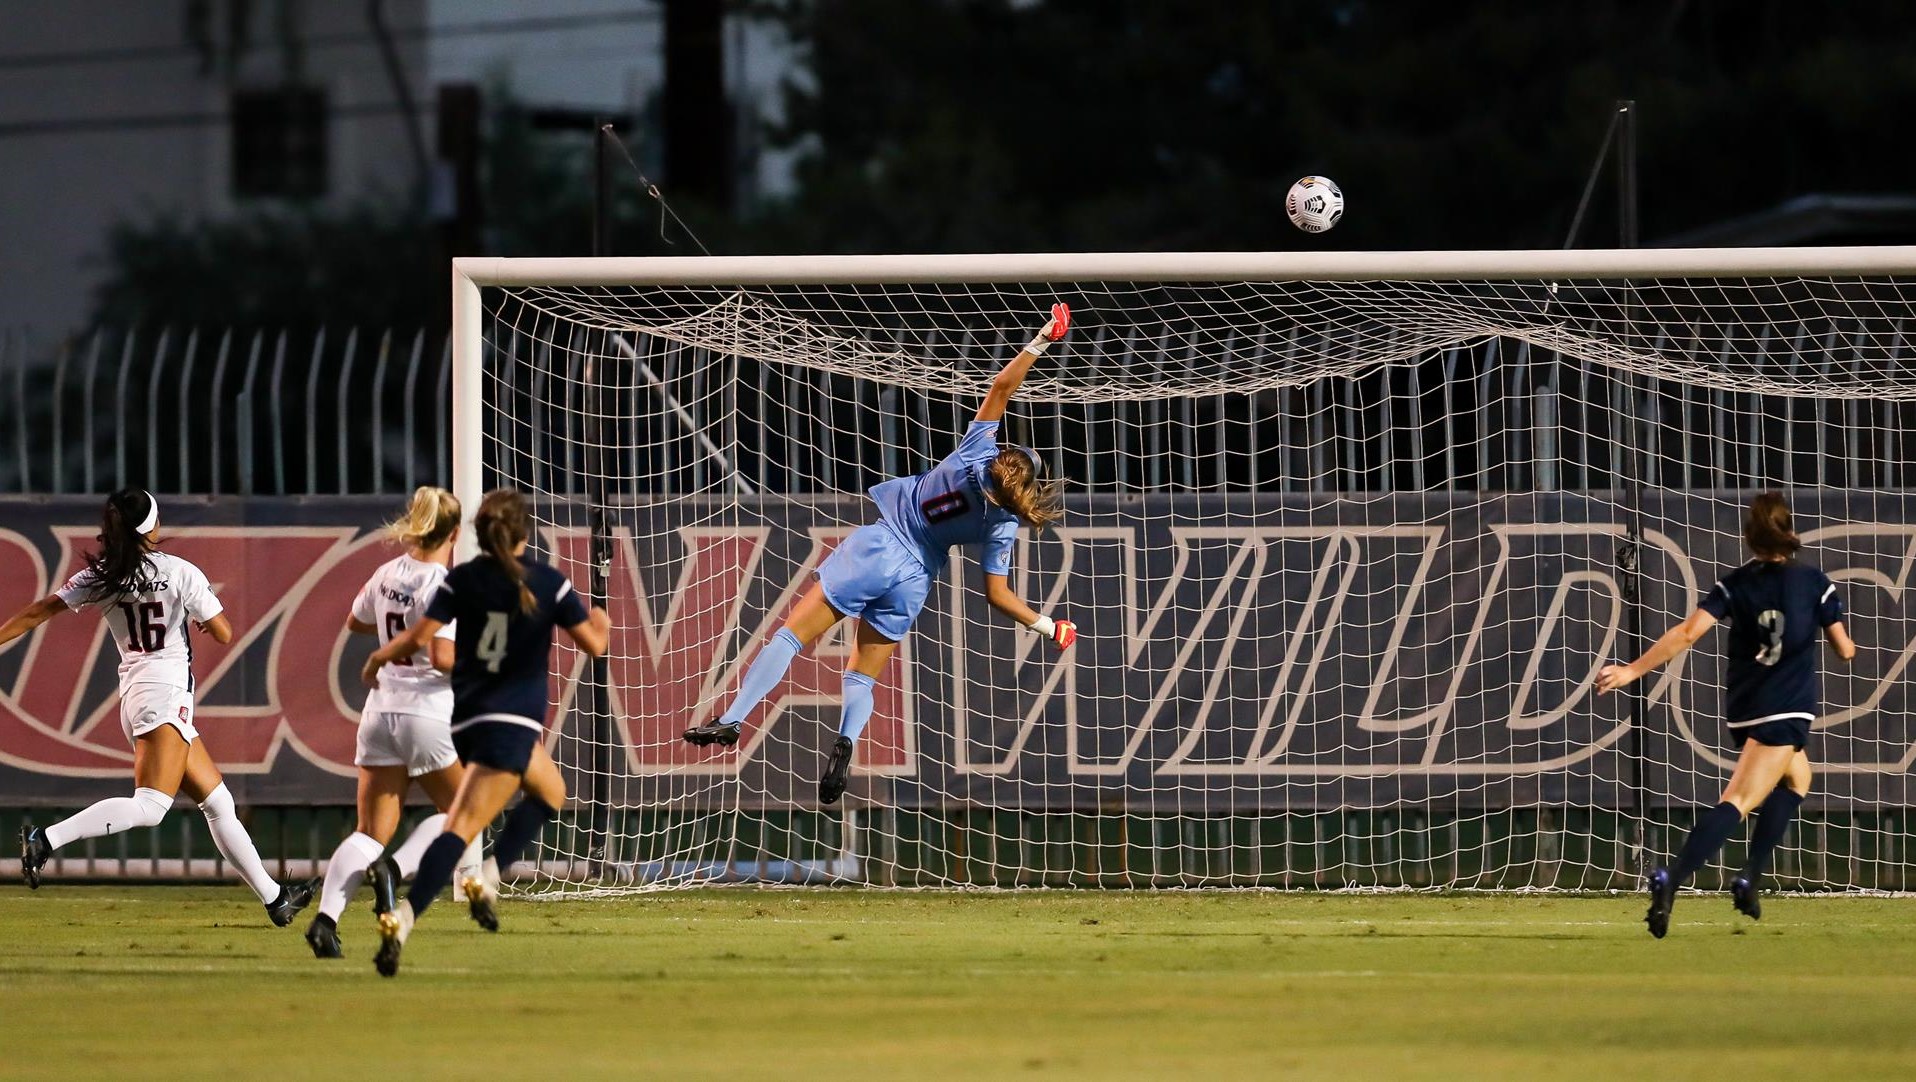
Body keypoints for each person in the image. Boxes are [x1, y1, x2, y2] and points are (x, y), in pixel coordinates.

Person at [683, 303, 1079, 805]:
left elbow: (1001, 388)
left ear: (1005, 458)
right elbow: (997, 595)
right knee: (861, 675)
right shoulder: (1002, 522)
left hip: (879, 547)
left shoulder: (975, 452)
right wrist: (1049, 626)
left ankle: (733, 719)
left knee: (788, 637)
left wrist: (1042, 340)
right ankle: (845, 742)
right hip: (915, 578)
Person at [5, 489, 314, 924]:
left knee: (219, 803)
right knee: (151, 807)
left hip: (136, 695)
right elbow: (224, 633)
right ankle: (46, 839)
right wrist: (203, 621)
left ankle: (275, 899)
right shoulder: (179, 571)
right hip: (165, 697)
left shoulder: (102, 575)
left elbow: (38, 612)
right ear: (152, 526)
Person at [360, 487, 609, 976]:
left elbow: (417, 637)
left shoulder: (464, 579)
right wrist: (600, 615)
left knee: (551, 791)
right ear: (523, 533)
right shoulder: (548, 582)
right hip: (510, 720)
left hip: (468, 717)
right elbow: (595, 645)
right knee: (460, 827)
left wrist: (377, 657)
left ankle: (488, 877)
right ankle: (404, 917)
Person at [1597, 492, 1856, 937]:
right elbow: (1845, 649)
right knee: (1738, 800)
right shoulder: (1815, 583)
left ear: (1749, 538)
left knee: (1798, 780)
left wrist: (1632, 669)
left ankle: (1750, 881)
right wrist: (1839, 640)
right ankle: (1671, 878)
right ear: (1789, 531)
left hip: (1745, 707)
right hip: (1787, 708)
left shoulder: (1734, 584)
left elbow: (1687, 632)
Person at [305, 487, 490, 959]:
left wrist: (398, 631)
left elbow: (356, 621)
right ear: (453, 533)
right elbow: (442, 655)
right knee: (463, 813)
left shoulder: (388, 572)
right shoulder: (443, 584)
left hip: (380, 711)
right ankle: (397, 869)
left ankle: (325, 923)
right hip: (425, 712)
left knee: (369, 831)